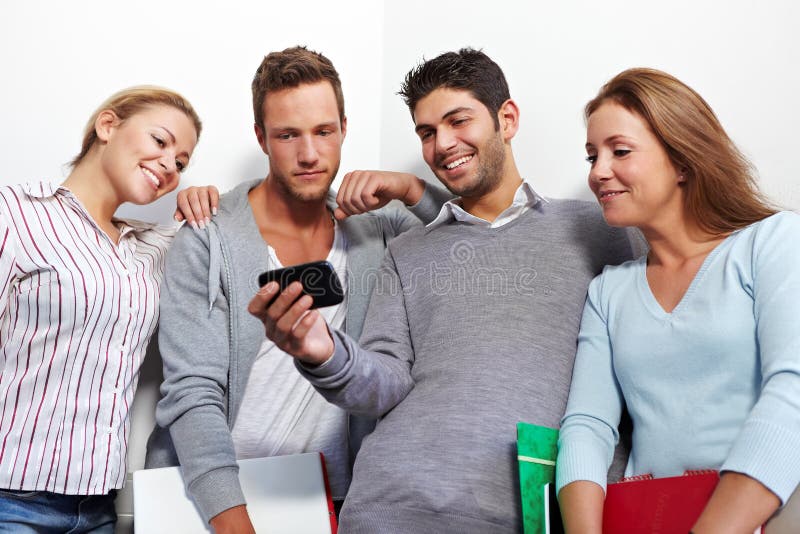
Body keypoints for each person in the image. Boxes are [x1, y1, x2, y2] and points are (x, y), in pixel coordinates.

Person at [250, 48, 633, 533]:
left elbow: (640, 375)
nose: (442, 144)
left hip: (522, 512)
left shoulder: (600, 229)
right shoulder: (408, 250)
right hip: (387, 507)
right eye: (427, 132)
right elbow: (385, 382)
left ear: (507, 119)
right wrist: (323, 351)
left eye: (458, 121)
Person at [145, 46, 450, 533]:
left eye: (323, 132)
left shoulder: (375, 229)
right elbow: (192, 392)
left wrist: (412, 188)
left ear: (344, 129)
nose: (309, 153)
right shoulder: (208, 232)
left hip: (330, 503)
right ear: (261, 138)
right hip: (211, 506)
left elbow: (470, 231)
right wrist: (233, 522)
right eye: (288, 135)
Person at [555, 68, 800, 533]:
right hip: (652, 514)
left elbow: (794, 390)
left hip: (769, 512)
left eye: (619, 151)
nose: (597, 172)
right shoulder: (609, 291)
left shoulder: (773, 242)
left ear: (682, 160)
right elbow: (587, 426)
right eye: (592, 156)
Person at [0, 86, 217, 532]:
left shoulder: (154, 246)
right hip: (10, 502)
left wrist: (209, 200)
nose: (169, 166)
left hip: (100, 508)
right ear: (108, 125)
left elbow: (248, 229)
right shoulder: (16, 214)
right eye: (161, 141)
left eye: (181, 163)